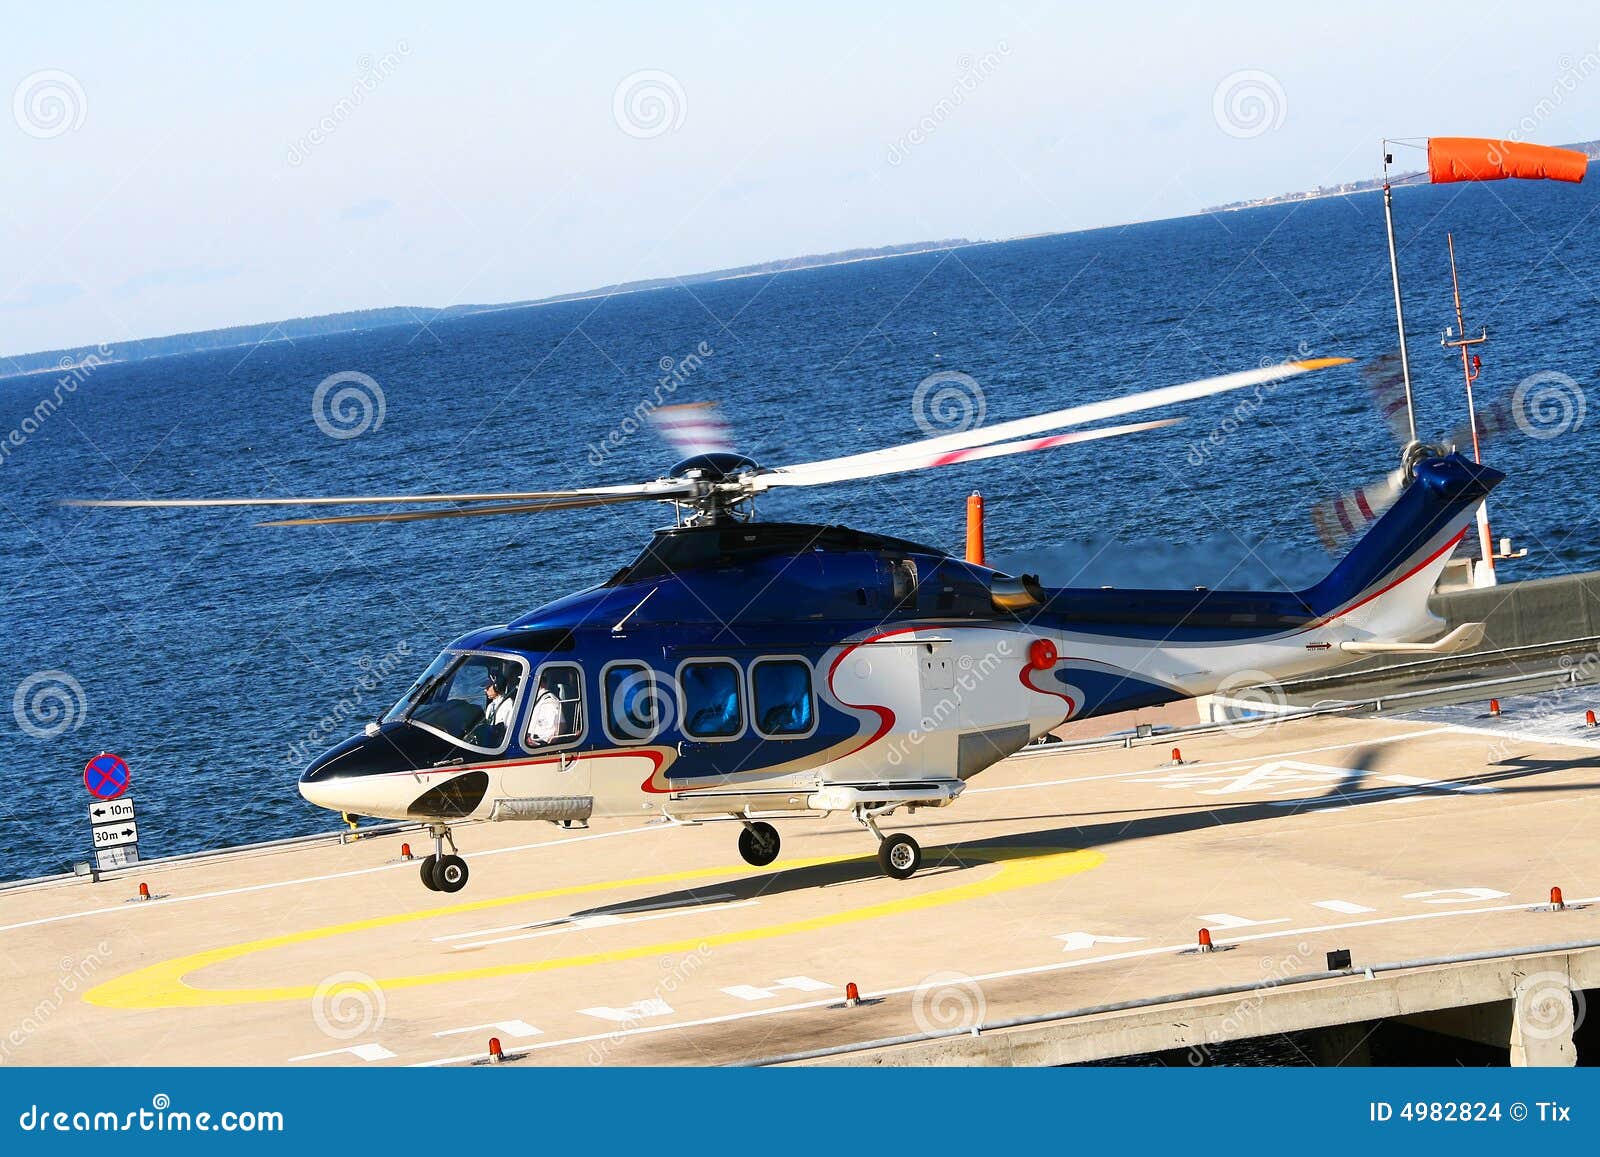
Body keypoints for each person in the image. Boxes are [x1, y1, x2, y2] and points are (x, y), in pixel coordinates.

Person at [527, 673, 565, 746]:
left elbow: (562, 725)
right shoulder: (535, 698)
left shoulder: (549, 700)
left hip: (540, 743)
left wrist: (548, 743)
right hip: (530, 739)